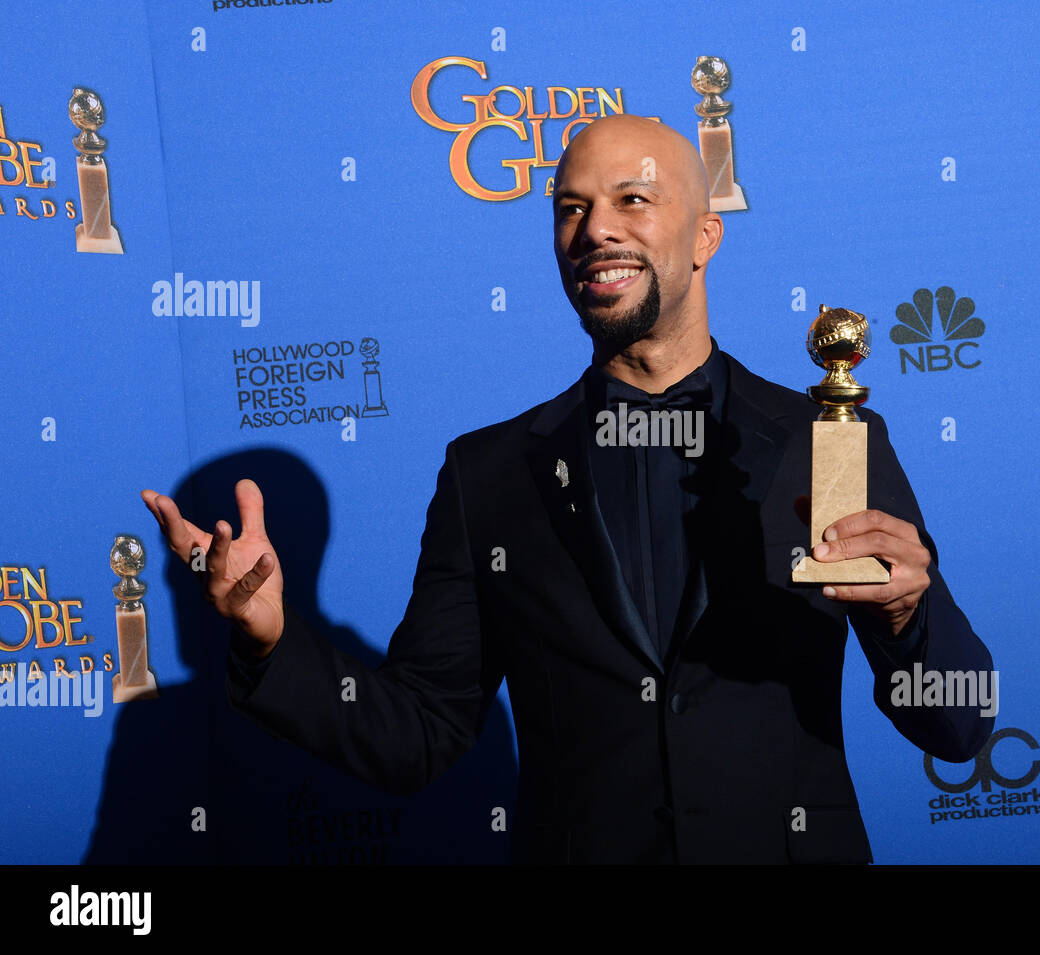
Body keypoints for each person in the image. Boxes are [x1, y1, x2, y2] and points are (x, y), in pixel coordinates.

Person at [142, 114, 994, 864]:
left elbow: (958, 727)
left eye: (633, 200)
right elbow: (420, 733)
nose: (595, 230)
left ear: (705, 237)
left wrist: (904, 620)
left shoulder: (829, 442)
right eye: (571, 207)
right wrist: (271, 640)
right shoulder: (489, 474)